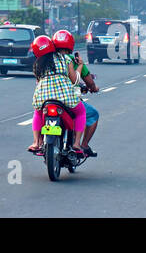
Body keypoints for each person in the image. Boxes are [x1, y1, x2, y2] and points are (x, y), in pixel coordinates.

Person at [28, 29, 100, 159]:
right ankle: (78, 144)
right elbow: (75, 80)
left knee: (37, 113)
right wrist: (80, 65)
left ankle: (36, 142)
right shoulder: (66, 59)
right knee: (81, 112)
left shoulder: (37, 65)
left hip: (43, 98)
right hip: (65, 97)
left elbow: (37, 81)